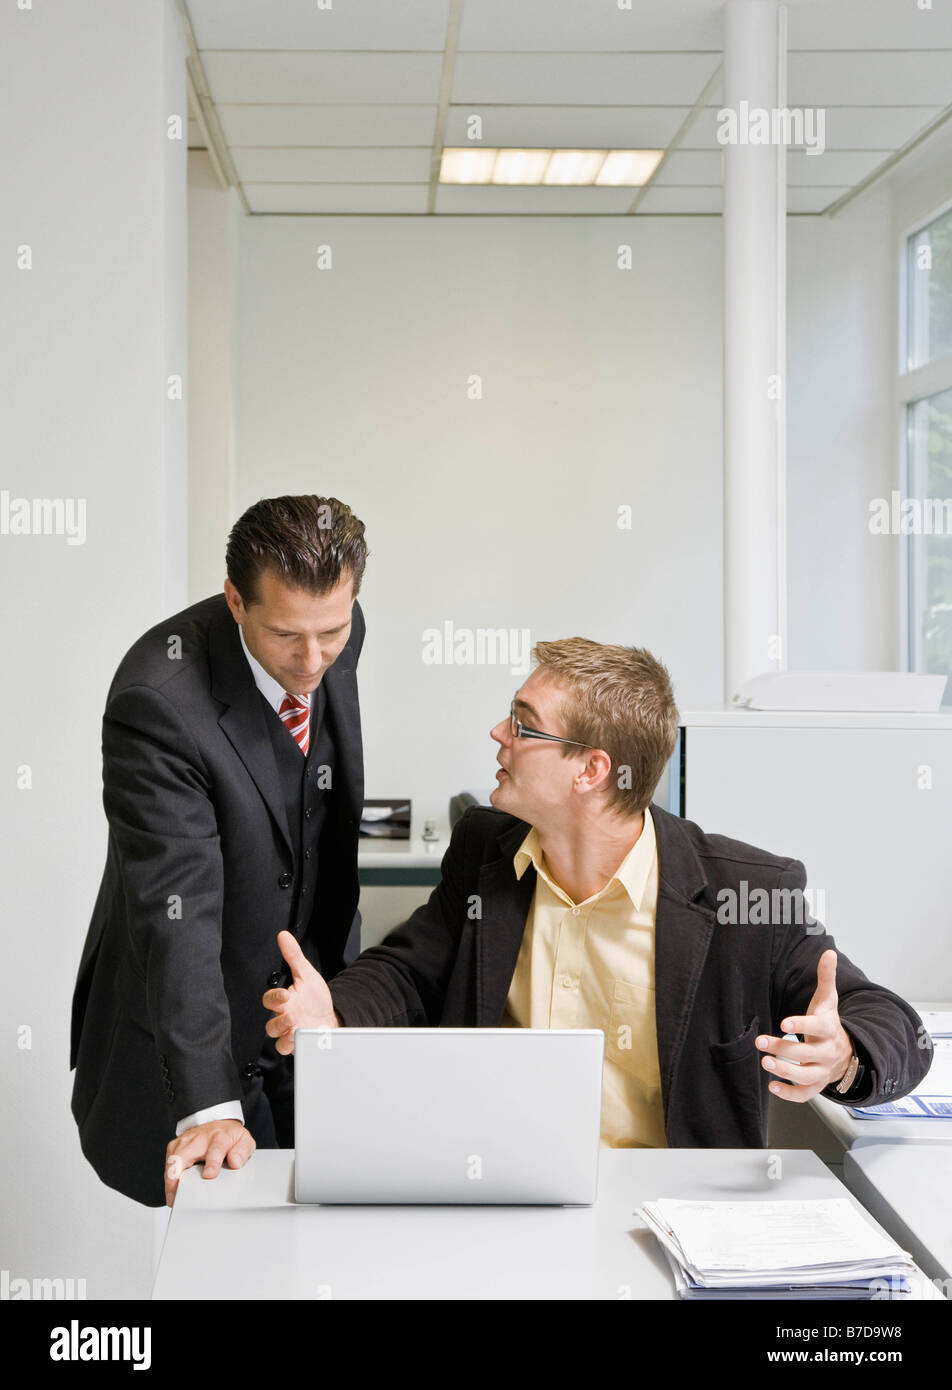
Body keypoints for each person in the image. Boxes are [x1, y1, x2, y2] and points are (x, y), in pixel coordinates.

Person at [264, 639, 932, 1147]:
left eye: (523, 726)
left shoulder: (742, 892)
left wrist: (844, 1053)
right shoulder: (487, 852)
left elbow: (897, 1026)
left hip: (668, 1216)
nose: (499, 735)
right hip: (495, 1192)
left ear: (592, 769)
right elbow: (409, 972)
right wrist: (336, 1011)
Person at [70, 495, 368, 1206]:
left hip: (305, 1031)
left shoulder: (334, 633)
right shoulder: (158, 699)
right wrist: (208, 1106)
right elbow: (178, 914)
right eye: (287, 635)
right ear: (235, 599)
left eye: (333, 631)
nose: (313, 659)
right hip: (191, 1037)